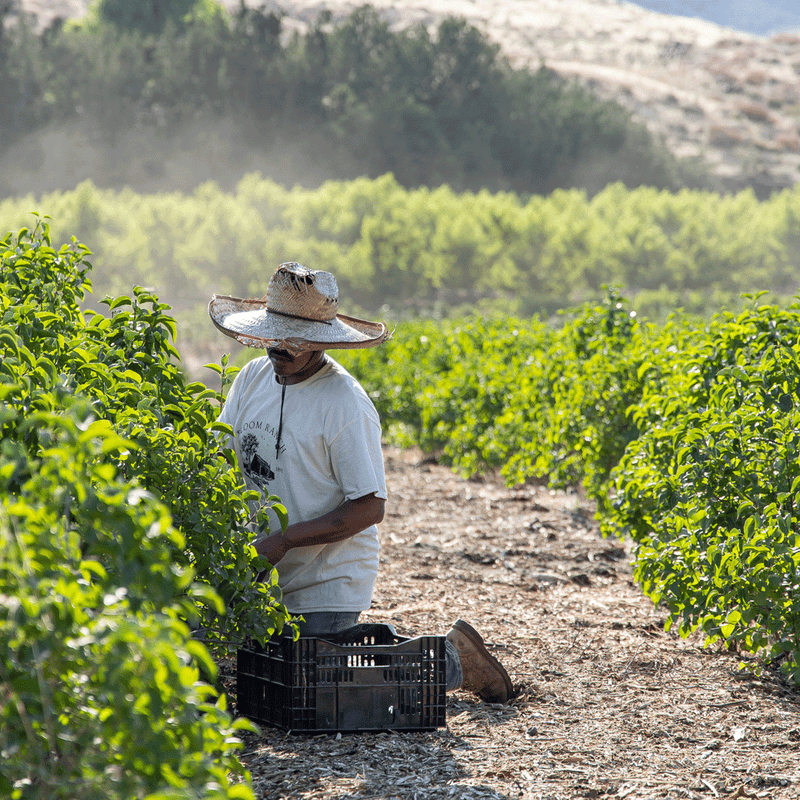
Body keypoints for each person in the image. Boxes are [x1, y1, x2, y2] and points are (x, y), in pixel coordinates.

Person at [209, 261, 513, 703]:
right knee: (262, 679)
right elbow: (221, 452)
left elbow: (370, 507)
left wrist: (285, 541)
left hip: (324, 579)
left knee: (322, 689)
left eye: (296, 341)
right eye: (276, 336)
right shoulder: (252, 379)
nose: (282, 349)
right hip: (262, 570)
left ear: (320, 344)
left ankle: (453, 659)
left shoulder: (344, 403)